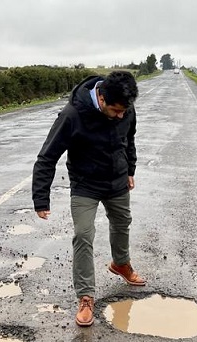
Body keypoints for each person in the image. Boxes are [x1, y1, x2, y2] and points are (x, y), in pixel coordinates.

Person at [32, 71, 146, 327]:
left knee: (122, 222)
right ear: (102, 98)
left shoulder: (126, 110)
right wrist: (41, 198)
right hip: (86, 185)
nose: (120, 115)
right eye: (116, 110)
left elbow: (129, 139)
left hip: (116, 180)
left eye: (124, 111)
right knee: (83, 235)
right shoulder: (72, 115)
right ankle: (85, 296)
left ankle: (121, 264)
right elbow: (47, 157)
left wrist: (130, 169)